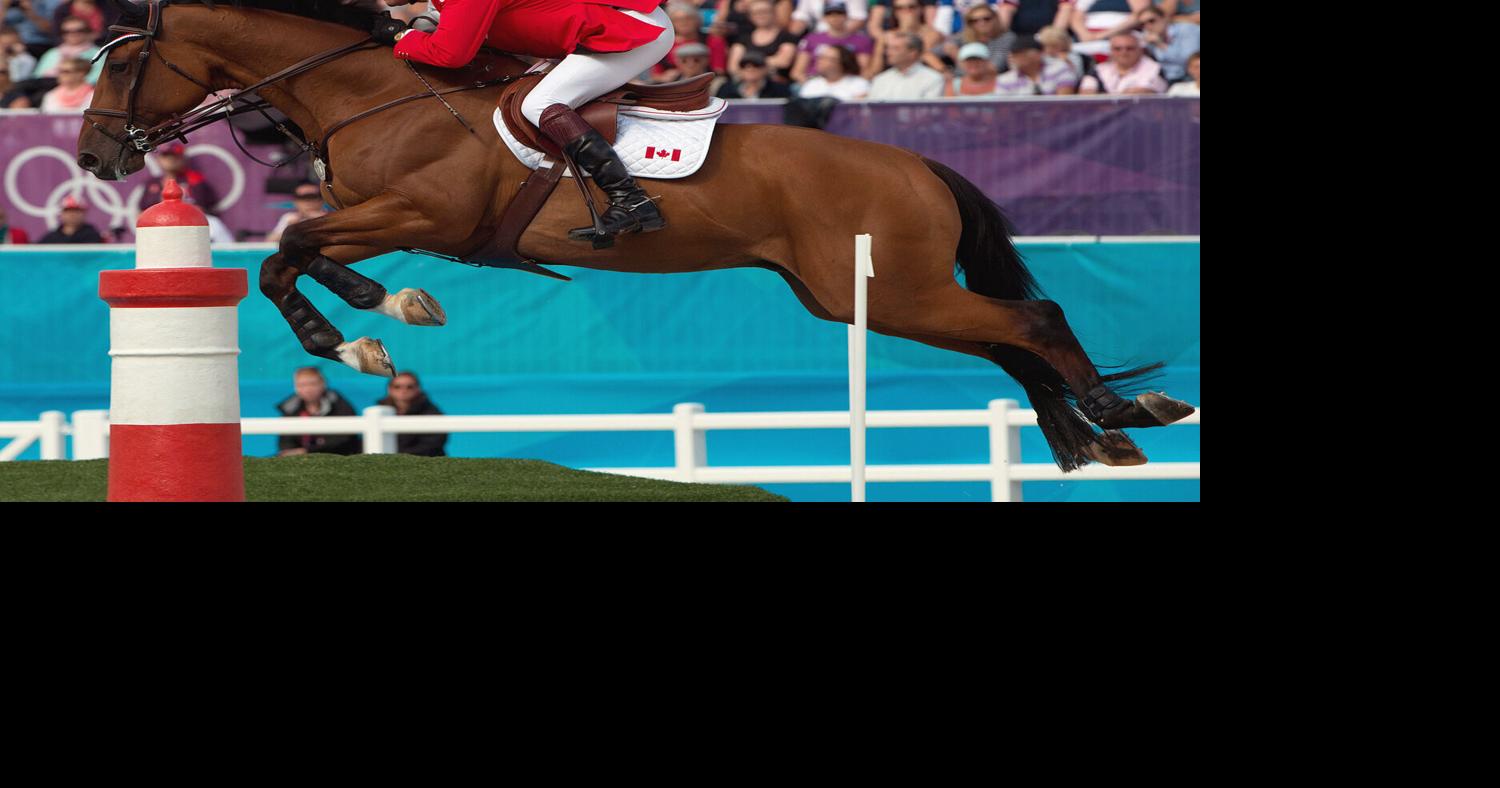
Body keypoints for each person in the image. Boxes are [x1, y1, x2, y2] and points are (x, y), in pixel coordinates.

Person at [377, 0, 674, 245]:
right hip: (597, 30)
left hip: (634, 30)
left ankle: (632, 200)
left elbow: (451, 54)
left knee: (538, 104)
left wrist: (401, 38)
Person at [275, 367, 360, 456]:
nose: (308, 389)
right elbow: (285, 442)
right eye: (302, 385)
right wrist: (291, 451)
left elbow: (345, 438)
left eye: (312, 384)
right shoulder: (290, 408)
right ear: (296, 387)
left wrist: (308, 451)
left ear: (323, 384)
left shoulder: (338, 404)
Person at [790, 2, 872, 83]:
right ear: (824, 18)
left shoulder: (861, 40)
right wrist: (809, 83)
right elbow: (797, 71)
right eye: (829, 14)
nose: (835, 17)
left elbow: (863, 69)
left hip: (848, 83)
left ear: (846, 16)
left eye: (839, 13)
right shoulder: (811, 39)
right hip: (815, 81)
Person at [376, 372, 449, 456]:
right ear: (389, 389)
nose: (403, 390)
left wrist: (401, 456)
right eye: (397, 387)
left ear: (418, 389)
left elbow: (433, 444)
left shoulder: (431, 412)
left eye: (409, 387)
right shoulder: (379, 412)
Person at [136, 142, 220, 214]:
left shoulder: (194, 179)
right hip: (159, 226)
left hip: (189, 226)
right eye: (166, 155)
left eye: (175, 155)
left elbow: (202, 209)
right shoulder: (152, 183)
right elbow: (142, 211)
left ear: (183, 158)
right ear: (159, 159)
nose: (170, 159)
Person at [653, 1, 728, 81]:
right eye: (678, 20)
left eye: (688, 18)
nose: (684, 22)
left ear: (697, 20)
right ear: (671, 23)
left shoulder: (713, 41)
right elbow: (656, 75)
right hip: (672, 85)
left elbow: (719, 71)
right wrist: (664, 77)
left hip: (705, 83)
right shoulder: (663, 45)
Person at [727, 0, 798, 83]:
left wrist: (749, 64)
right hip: (745, 83)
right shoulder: (743, 38)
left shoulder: (787, 37)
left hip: (777, 84)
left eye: (765, 12)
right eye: (756, 13)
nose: (761, 16)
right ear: (750, 16)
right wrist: (765, 64)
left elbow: (784, 61)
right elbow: (733, 66)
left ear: (774, 13)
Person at [1078, 30, 1164, 93]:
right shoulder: (1098, 70)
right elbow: (1086, 94)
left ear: (1140, 50)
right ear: (1110, 51)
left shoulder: (1155, 69)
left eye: (1129, 48)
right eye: (1117, 49)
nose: (1123, 53)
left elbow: (1151, 93)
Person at [940, 3, 1016, 74]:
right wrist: (944, 70)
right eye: (975, 20)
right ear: (970, 24)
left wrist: (959, 57)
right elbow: (929, 53)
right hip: (959, 82)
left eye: (986, 19)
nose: (982, 23)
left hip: (993, 83)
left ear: (995, 18)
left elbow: (994, 68)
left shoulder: (1006, 37)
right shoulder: (962, 37)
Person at [867, 31, 944, 99]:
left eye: (895, 48)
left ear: (912, 53)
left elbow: (930, 112)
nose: (888, 53)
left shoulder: (933, 79)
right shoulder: (881, 80)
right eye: (888, 48)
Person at [993, 34, 1076, 94]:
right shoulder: (1004, 80)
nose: (1017, 58)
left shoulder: (1060, 68)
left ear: (1039, 54)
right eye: (1014, 55)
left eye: (1023, 53)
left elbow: (1064, 102)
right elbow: (1005, 111)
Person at [1138, 3, 1197, 83]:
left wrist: (1161, 45)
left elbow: (1189, 62)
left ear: (1164, 18)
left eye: (1151, 21)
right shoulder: (1149, 38)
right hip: (1166, 80)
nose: (1148, 26)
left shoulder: (1187, 30)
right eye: (1143, 24)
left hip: (1190, 78)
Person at [32, 14, 100, 82]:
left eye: (79, 30)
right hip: (48, 88)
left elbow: (96, 79)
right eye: (67, 31)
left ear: (88, 32)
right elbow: (37, 76)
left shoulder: (99, 54)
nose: (73, 34)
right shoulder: (52, 53)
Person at [797, 43, 868, 99]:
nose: (820, 61)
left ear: (841, 63)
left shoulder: (859, 84)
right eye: (820, 57)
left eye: (826, 58)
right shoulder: (811, 85)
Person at [715, 48, 790, 97]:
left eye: (756, 64)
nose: (750, 69)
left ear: (766, 68)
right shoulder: (726, 89)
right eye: (743, 65)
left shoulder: (780, 90)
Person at [999, 0, 1073, 36]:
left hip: (1050, 37)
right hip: (1020, 37)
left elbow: (1065, 8)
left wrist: (1052, 36)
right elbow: (1006, 12)